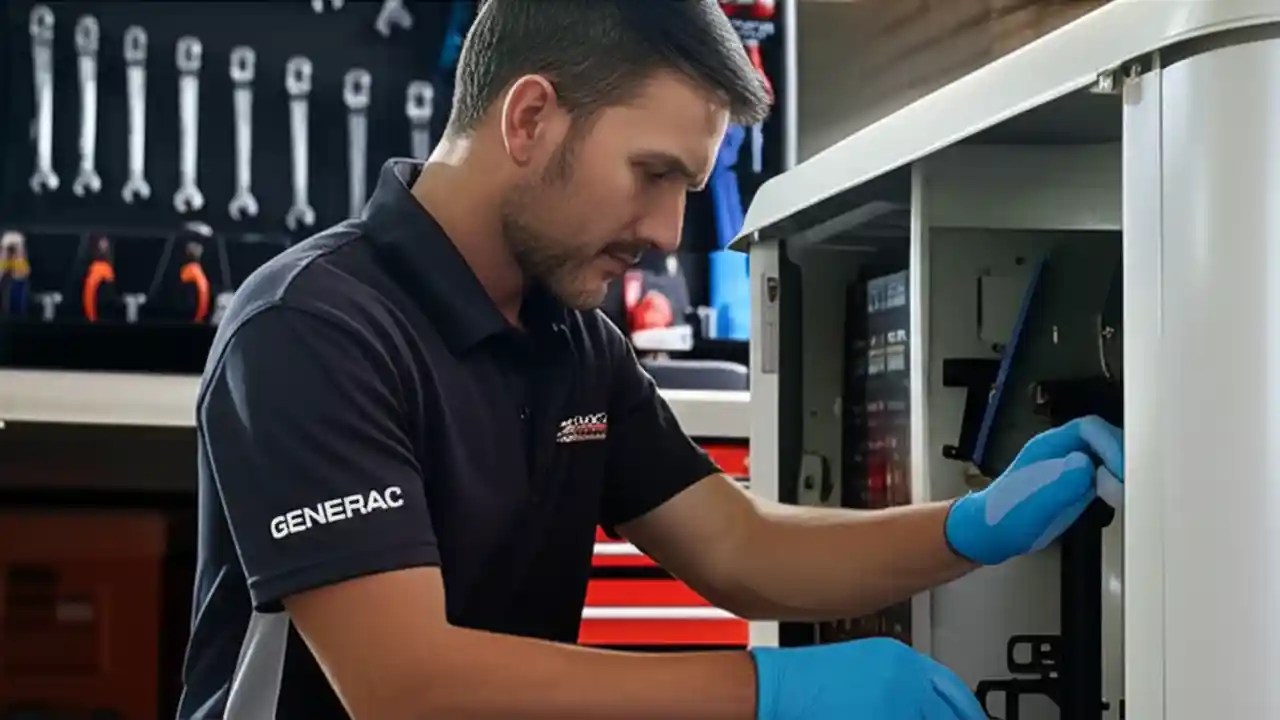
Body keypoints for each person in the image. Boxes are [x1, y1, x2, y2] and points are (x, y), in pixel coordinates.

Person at [177, 1, 1126, 718]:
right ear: (529, 118)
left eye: (689, 187)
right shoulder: (311, 328)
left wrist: (968, 527)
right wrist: (770, 691)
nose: (671, 231)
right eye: (653, 173)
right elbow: (407, 687)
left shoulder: (573, 340)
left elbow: (738, 545)